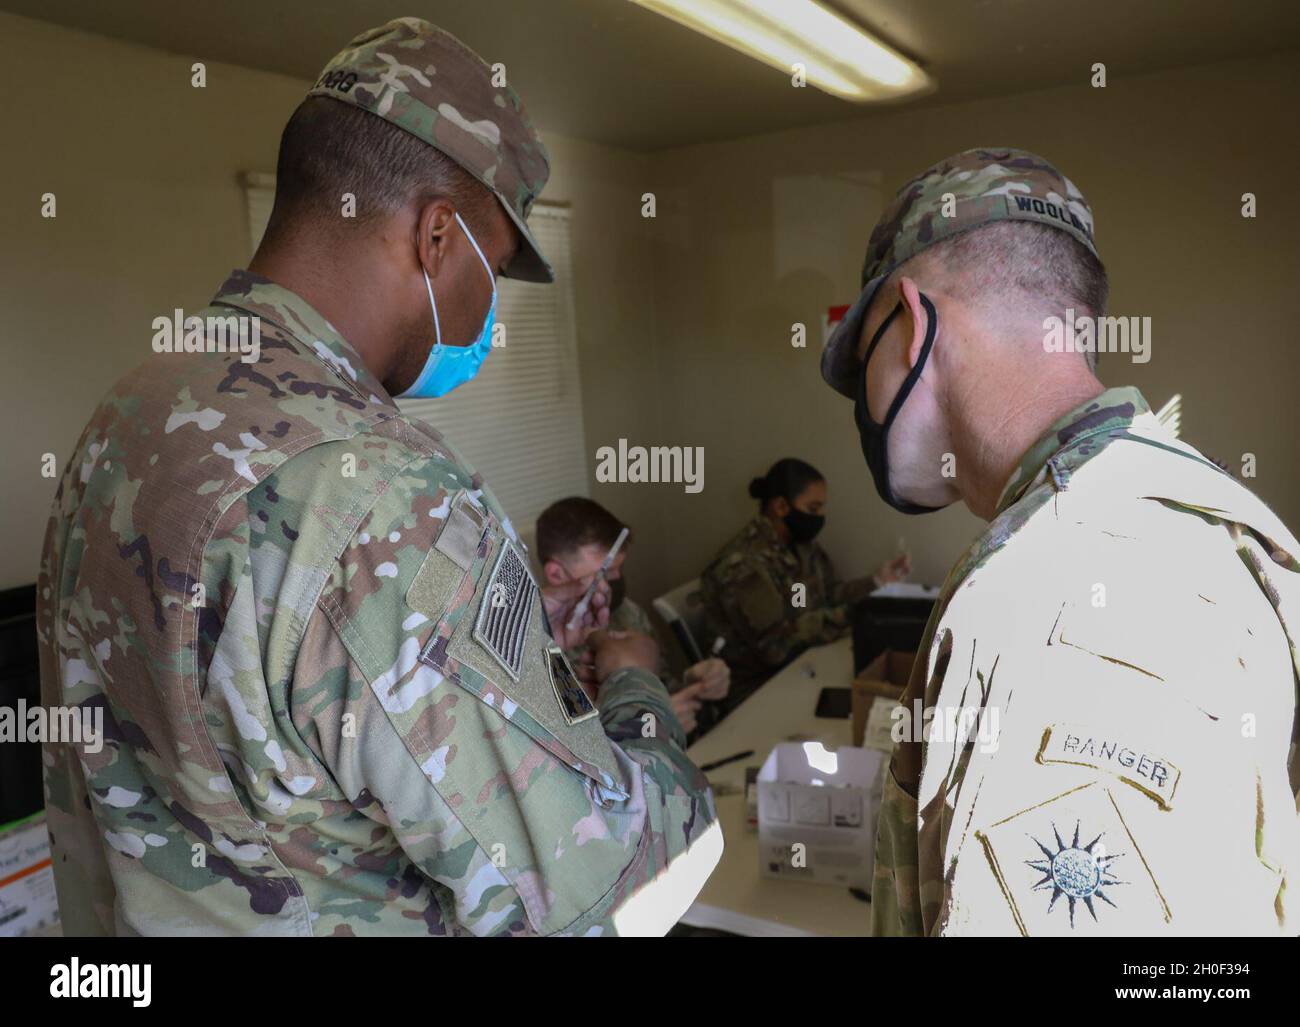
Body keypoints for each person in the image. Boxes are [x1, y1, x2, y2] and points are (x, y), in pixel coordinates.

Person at [36, 17, 719, 937]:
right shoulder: (382, 496)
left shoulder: (128, 414)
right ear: (438, 236)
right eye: (499, 271)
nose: (491, 317)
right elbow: (603, 895)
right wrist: (639, 700)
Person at [820, 147, 1299, 935]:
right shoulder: (1186, 500)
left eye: (860, 360)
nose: (861, 407)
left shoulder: (1056, 587)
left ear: (912, 324)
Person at [699, 458, 910, 712]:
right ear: (780, 506)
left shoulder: (801, 546)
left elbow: (828, 593)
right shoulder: (744, 566)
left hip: (800, 665)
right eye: (813, 508)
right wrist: (855, 614)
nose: (819, 517)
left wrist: (876, 583)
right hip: (754, 689)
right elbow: (776, 646)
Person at [536, 497, 730, 736]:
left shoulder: (627, 612)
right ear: (556, 574)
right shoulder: (535, 646)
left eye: (620, 567)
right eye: (606, 571)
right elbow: (563, 751)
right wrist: (649, 726)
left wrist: (696, 683)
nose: (617, 579)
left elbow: (660, 684)